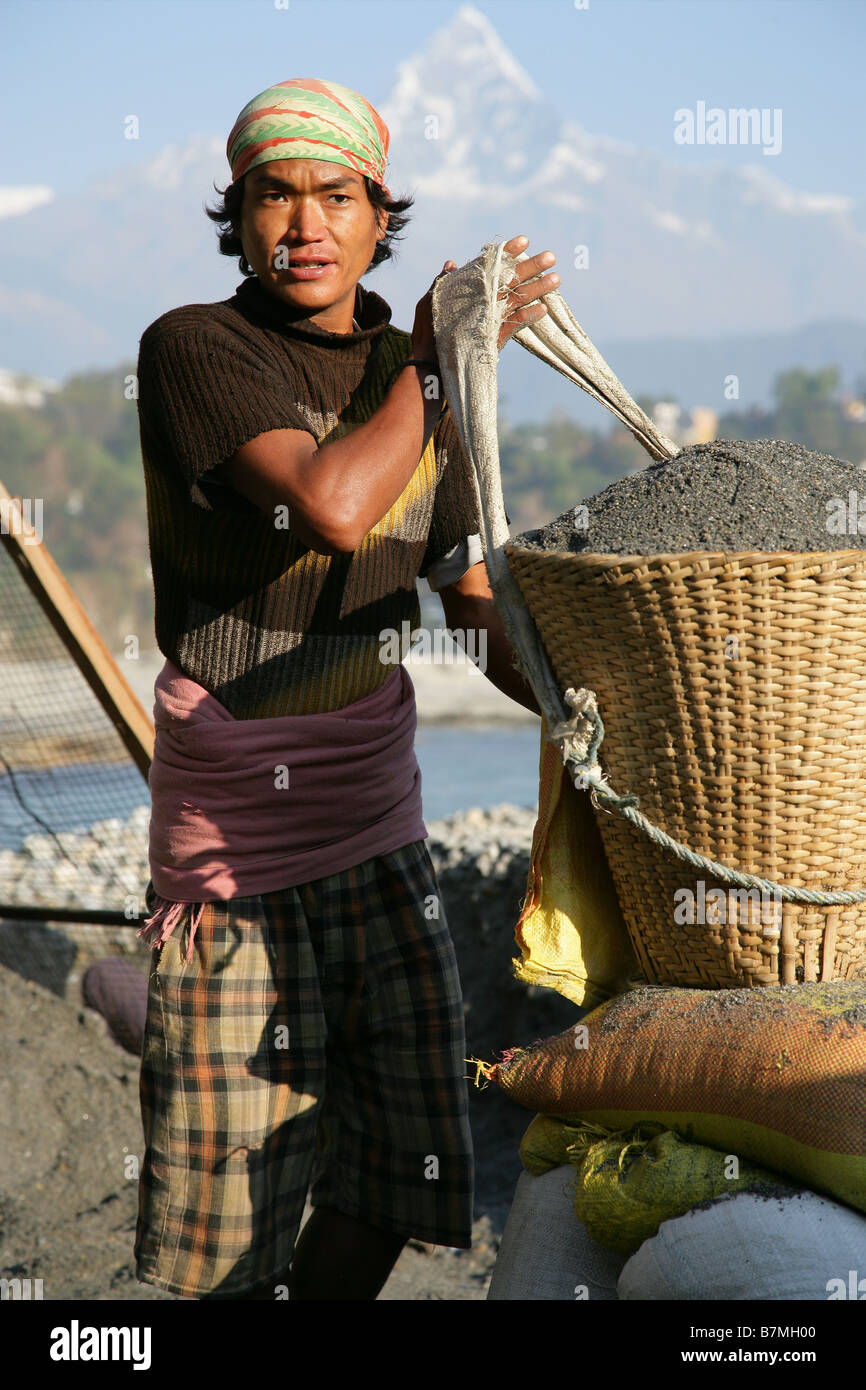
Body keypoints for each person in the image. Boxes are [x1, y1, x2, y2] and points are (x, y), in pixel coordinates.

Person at [132, 76, 559, 1302]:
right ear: (239, 215)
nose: (303, 225)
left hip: (378, 829)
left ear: (383, 219)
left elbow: (467, 598)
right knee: (225, 1221)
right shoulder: (196, 349)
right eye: (275, 195)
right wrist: (426, 363)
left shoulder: (415, 372)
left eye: (337, 196)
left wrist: (588, 719)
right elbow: (327, 506)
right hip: (239, 849)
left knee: (396, 1166)